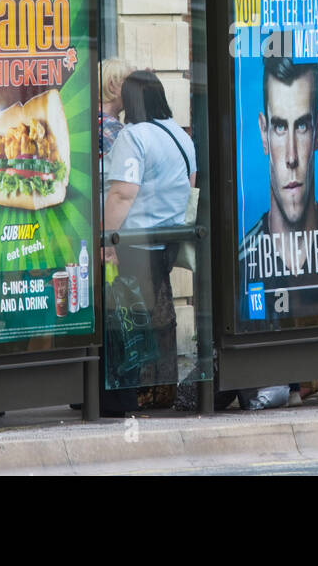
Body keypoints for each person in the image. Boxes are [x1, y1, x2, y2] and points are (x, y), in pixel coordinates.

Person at [102, 70, 195, 415]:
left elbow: (123, 193)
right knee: (158, 314)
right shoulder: (179, 134)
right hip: (168, 239)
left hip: (134, 240)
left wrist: (106, 239)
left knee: (126, 317)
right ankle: (160, 390)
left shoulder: (134, 135)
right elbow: (190, 181)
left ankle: (129, 393)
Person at [238, 55, 318, 321]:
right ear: (264, 132)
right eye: (279, 127)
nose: (291, 157)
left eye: (302, 125)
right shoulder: (242, 262)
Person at [98, 57, 134, 165]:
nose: (133, 91)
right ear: (112, 85)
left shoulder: (91, 119)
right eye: (130, 85)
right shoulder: (111, 126)